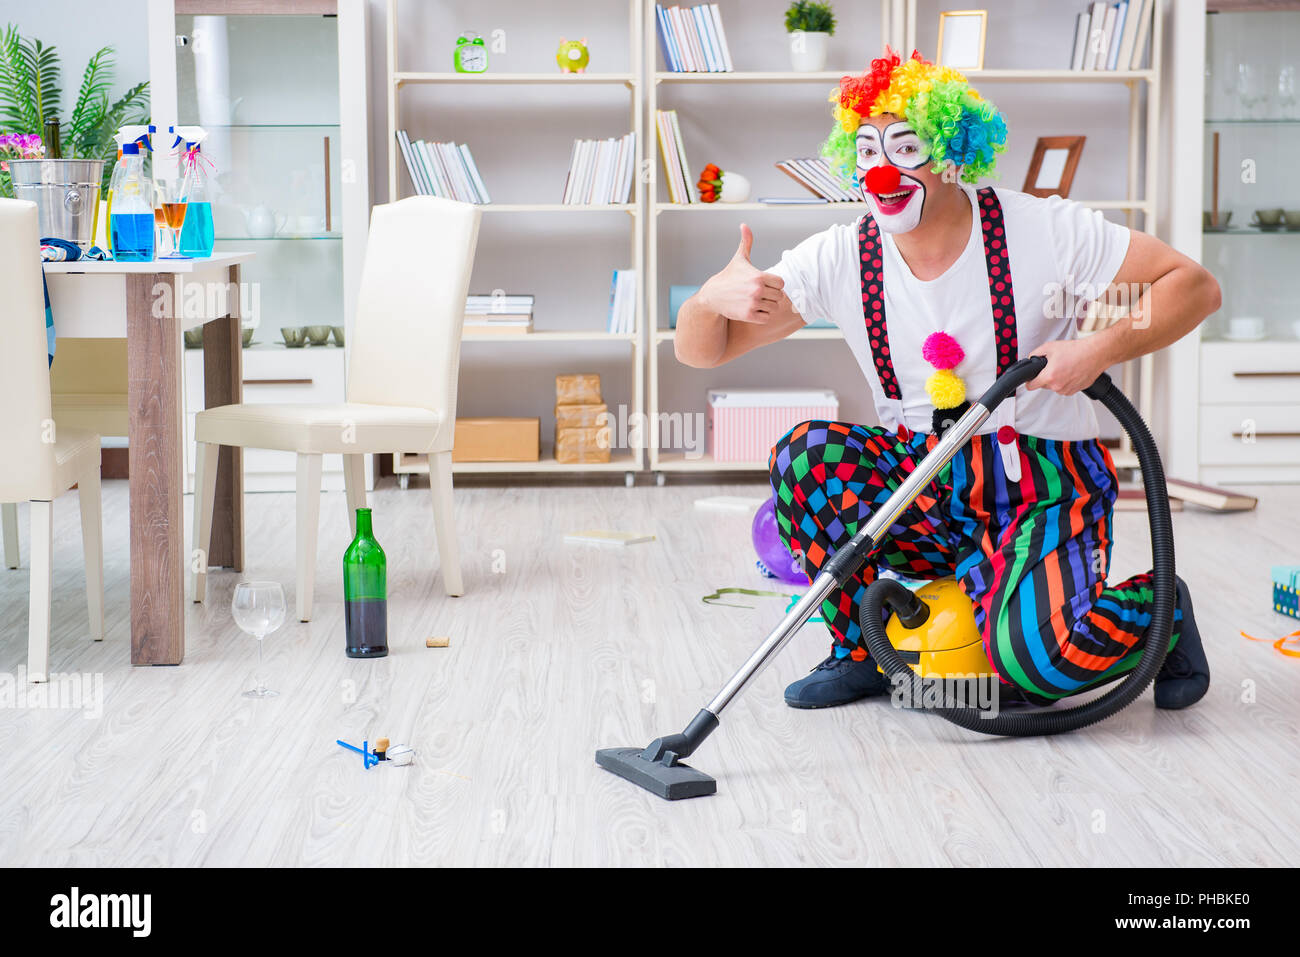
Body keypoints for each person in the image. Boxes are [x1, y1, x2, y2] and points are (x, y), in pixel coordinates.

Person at [675, 50, 1219, 711]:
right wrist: (707, 300)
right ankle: (863, 647)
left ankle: (1163, 611)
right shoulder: (841, 254)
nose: (883, 169)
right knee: (806, 456)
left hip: (1044, 484)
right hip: (925, 478)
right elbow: (706, 351)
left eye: (906, 148)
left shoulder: (1043, 229)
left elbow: (1193, 285)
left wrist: (1098, 349)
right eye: (869, 148)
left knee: (1036, 666)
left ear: (954, 152)